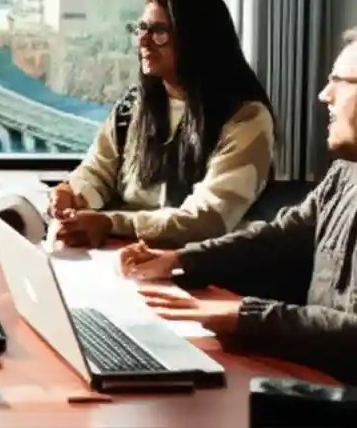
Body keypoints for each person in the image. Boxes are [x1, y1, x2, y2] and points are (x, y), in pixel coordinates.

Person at [119, 28, 357, 383]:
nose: (325, 95)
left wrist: (245, 316)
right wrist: (181, 260)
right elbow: (279, 238)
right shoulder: (345, 175)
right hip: (314, 382)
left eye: (339, 81)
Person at [49, 0, 275, 248]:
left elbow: (208, 218)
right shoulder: (133, 107)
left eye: (159, 32)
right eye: (142, 29)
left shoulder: (244, 117)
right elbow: (98, 171)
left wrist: (113, 224)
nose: (144, 41)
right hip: (123, 253)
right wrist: (71, 195)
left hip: (199, 266)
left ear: (197, 39)